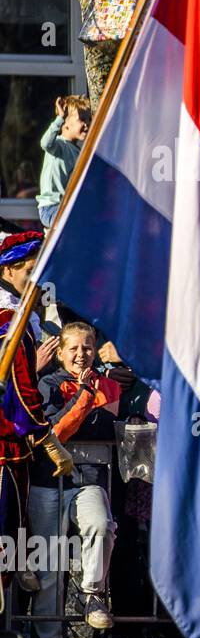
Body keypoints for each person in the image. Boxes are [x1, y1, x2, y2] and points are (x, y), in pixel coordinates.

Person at [27, 322, 120, 638]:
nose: (82, 354)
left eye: (88, 348)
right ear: (60, 353)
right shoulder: (46, 383)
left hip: (89, 479)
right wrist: (83, 397)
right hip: (46, 481)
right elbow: (56, 432)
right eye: (74, 348)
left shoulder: (107, 386)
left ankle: (93, 595)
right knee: (49, 563)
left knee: (101, 523)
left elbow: (105, 426)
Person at [0, 231, 73, 602]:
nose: (36, 278)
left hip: (11, 445)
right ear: (8, 271)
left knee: (11, 542)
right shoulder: (7, 318)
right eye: (29, 270)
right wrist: (46, 436)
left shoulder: (23, 315)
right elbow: (19, 382)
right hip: (3, 448)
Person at [36, 95, 90, 228]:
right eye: (82, 120)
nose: (86, 124)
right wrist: (59, 118)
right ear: (65, 124)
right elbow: (45, 143)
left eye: (89, 120)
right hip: (51, 208)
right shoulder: (58, 145)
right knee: (74, 223)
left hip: (66, 207)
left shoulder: (78, 152)